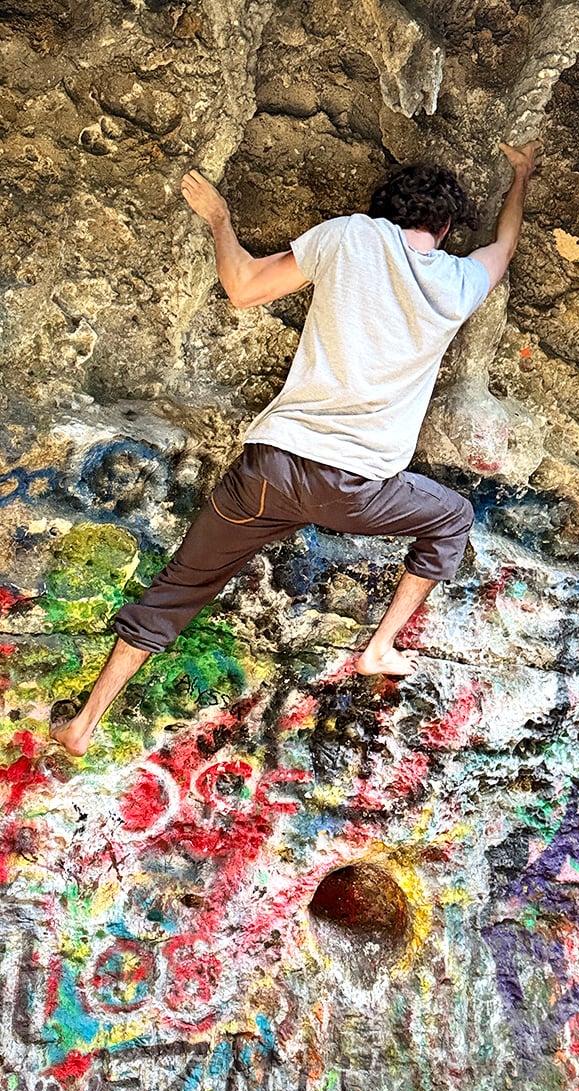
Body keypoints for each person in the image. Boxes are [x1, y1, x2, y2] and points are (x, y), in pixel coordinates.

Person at [51, 140, 540, 756]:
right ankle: (381, 646)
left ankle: (84, 724)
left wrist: (221, 220)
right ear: (444, 228)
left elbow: (244, 286)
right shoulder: (462, 280)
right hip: (361, 492)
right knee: (453, 517)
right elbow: (505, 246)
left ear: (385, 212)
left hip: (271, 470)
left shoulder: (353, 236)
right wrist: (520, 175)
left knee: (179, 586)